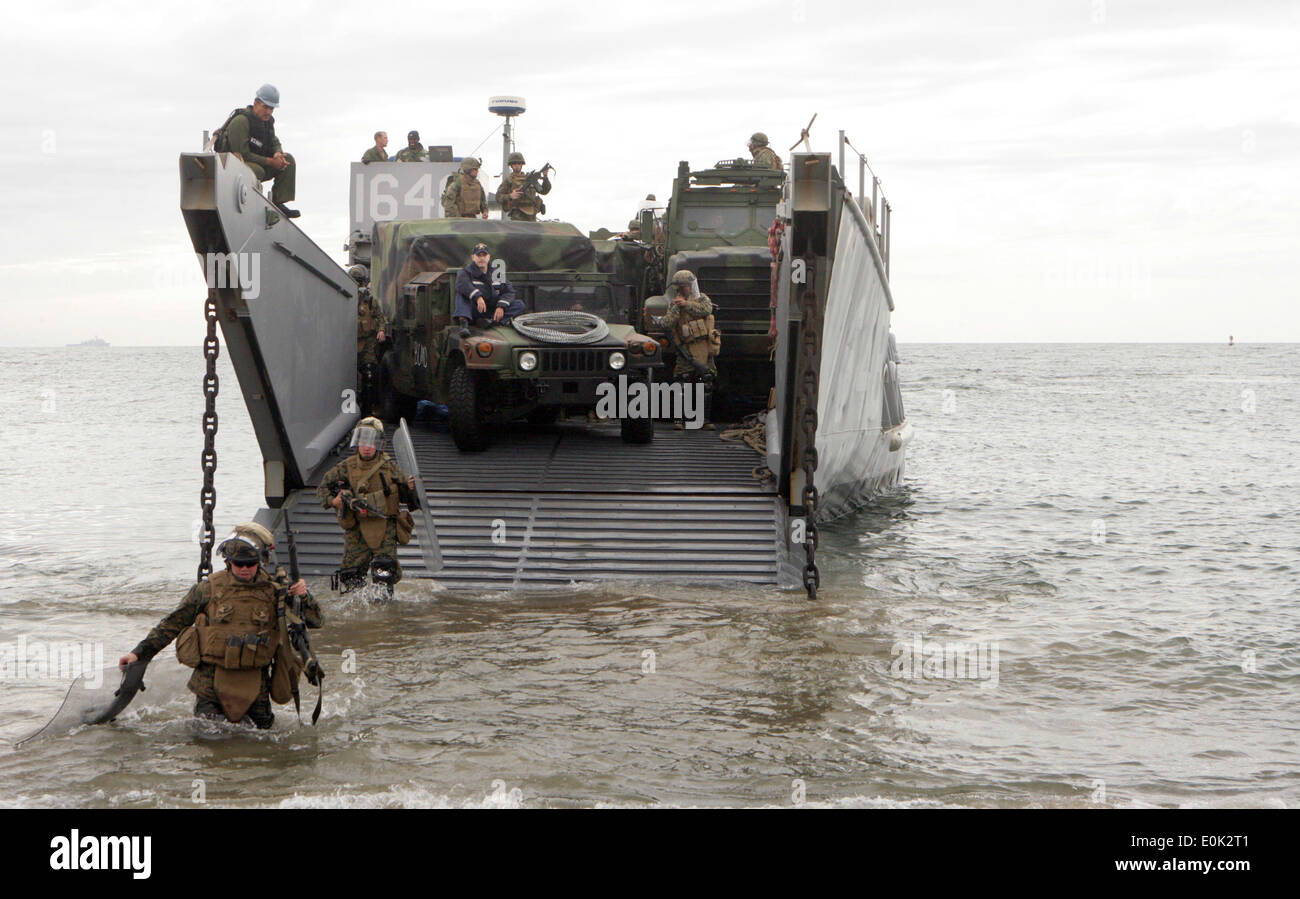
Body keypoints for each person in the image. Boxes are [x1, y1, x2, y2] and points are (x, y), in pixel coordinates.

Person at [117, 523, 321, 728]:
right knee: (208, 741)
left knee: (261, 746)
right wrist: (138, 653)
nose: (244, 569)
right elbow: (172, 624)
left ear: (259, 561)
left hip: (256, 684)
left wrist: (303, 596)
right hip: (210, 684)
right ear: (228, 561)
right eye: (238, 563)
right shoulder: (209, 589)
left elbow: (315, 621)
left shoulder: (276, 591)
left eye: (250, 563)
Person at [317, 417, 417, 594]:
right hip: (356, 528)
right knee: (351, 575)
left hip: (384, 527)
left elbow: (409, 500)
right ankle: (357, 610)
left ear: (379, 444)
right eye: (363, 441)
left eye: (372, 442)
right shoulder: (345, 467)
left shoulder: (390, 468)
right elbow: (323, 488)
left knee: (384, 572)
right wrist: (334, 501)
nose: (367, 447)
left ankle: (384, 609)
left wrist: (409, 489)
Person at [217, 84, 299, 218]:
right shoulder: (241, 121)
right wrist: (270, 162)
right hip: (233, 167)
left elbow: (274, 141)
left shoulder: (267, 122)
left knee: (288, 160)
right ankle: (245, 204)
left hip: (258, 162)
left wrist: (278, 154)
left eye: (271, 108)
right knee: (257, 171)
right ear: (256, 103)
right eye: (265, 107)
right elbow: (242, 154)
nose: (268, 112)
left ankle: (278, 202)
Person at [659, 269, 720, 429]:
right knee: (681, 382)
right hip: (685, 349)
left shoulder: (702, 299)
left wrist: (687, 305)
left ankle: (704, 420)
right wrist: (677, 308)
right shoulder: (675, 304)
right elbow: (666, 324)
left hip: (704, 347)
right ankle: (679, 420)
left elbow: (706, 310)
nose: (681, 290)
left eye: (684, 286)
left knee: (705, 382)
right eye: (679, 287)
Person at [349, 265, 388, 414]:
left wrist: (381, 330)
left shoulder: (370, 301)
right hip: (350, 341)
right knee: (350, 376)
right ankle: (351, 409)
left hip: (368, 342)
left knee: (369, 374)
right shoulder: (346, 298)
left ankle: (367, 410)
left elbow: (380, 318)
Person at [454, 243, 522, 327]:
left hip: (492, 309)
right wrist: (478, 297)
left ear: (489, 257)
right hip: (475, 310)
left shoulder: (497, 274)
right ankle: (464, 323)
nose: (482, 258)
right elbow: (462, 284)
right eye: (479, 255)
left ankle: (493, 322)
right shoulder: (466, 272)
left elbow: (509, 291)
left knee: (519, 304)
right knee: (461, 295)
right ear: (473, 257)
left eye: (484, 255)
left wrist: (501, 306)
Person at [494, 152, 551, 221]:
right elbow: (498, 197)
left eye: (519, 163)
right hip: (518, 215)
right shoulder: (509, 180)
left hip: (532, 214)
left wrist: (545, 177)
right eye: (514, 163)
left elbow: (544, 191)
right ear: (511, 165)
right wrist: (510, 196)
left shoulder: (529, 179)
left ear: (522, 164)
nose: (517, 165)